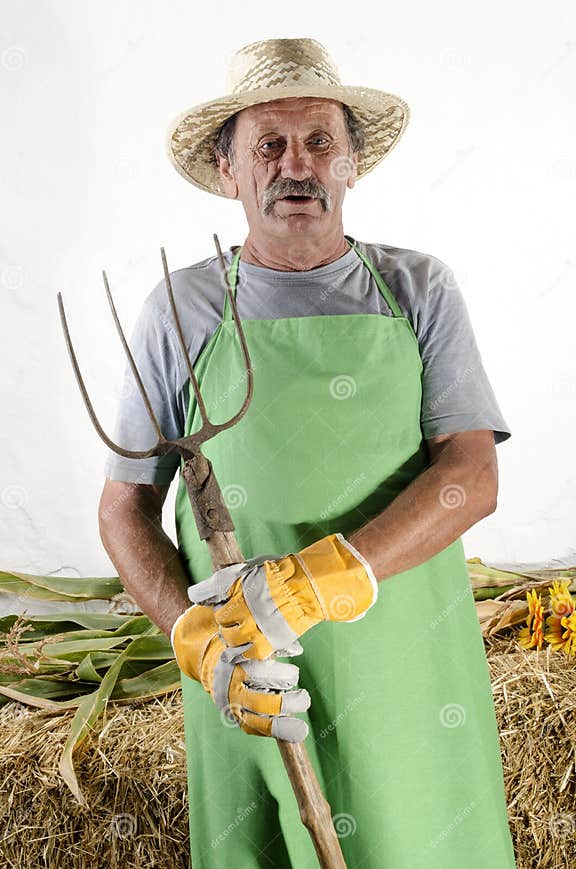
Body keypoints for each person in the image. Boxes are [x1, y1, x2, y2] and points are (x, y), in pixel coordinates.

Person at [99, 37, 517, 869]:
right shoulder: (180, 309)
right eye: (269, 145)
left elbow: (470, 479)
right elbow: (123, 508)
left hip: (404, 660)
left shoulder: (416, 290)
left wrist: (319, 578)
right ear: (229, 171)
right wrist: (195, 635)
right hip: (253, 678)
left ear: (352, 163)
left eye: (320, 141)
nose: (298, 164)